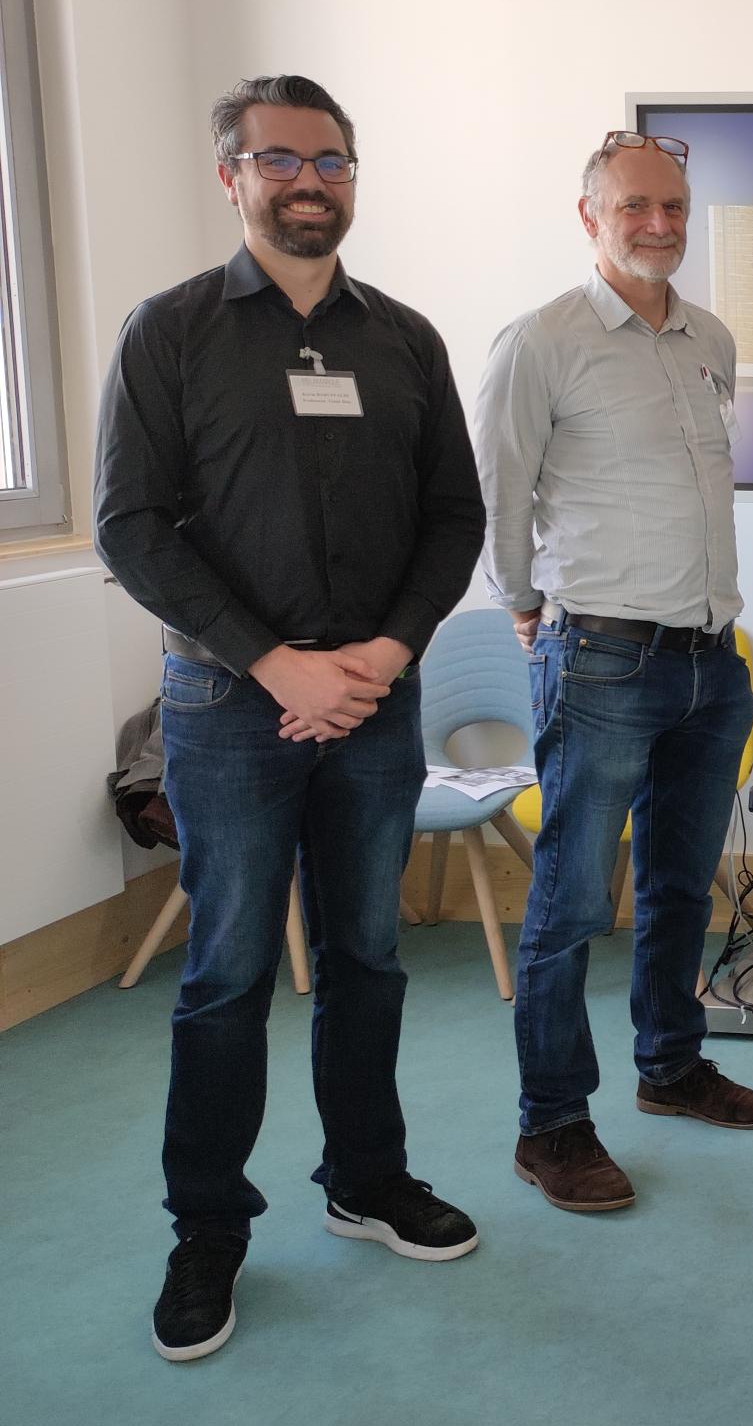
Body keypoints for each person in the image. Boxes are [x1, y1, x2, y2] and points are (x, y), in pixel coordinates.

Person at [95, 74, 486, 1363]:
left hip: (374, 698)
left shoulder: (406, 339)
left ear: (353, 177)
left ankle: (366, 1179)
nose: (309, 180)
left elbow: (453, 519)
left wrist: (378, 652)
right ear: (232, 176)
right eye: (280, 159)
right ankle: (207, 1225)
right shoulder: (172, 330)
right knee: (226, 978)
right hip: (228, 703)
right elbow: (130, 527)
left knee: (368, 957)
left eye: (331, 159)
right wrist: (276, 664)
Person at [474, 130, 753, 1215]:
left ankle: (672, 1067)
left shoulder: (710, 337)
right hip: (599, 652)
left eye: (676, 208)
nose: (660, 225)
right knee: (567, 905)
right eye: (636, 206)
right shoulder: (542, 341)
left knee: (681, 885)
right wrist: (524, 604)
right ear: (588, 214)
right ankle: (550, 1125)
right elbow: (499, 496)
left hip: (709, 656)